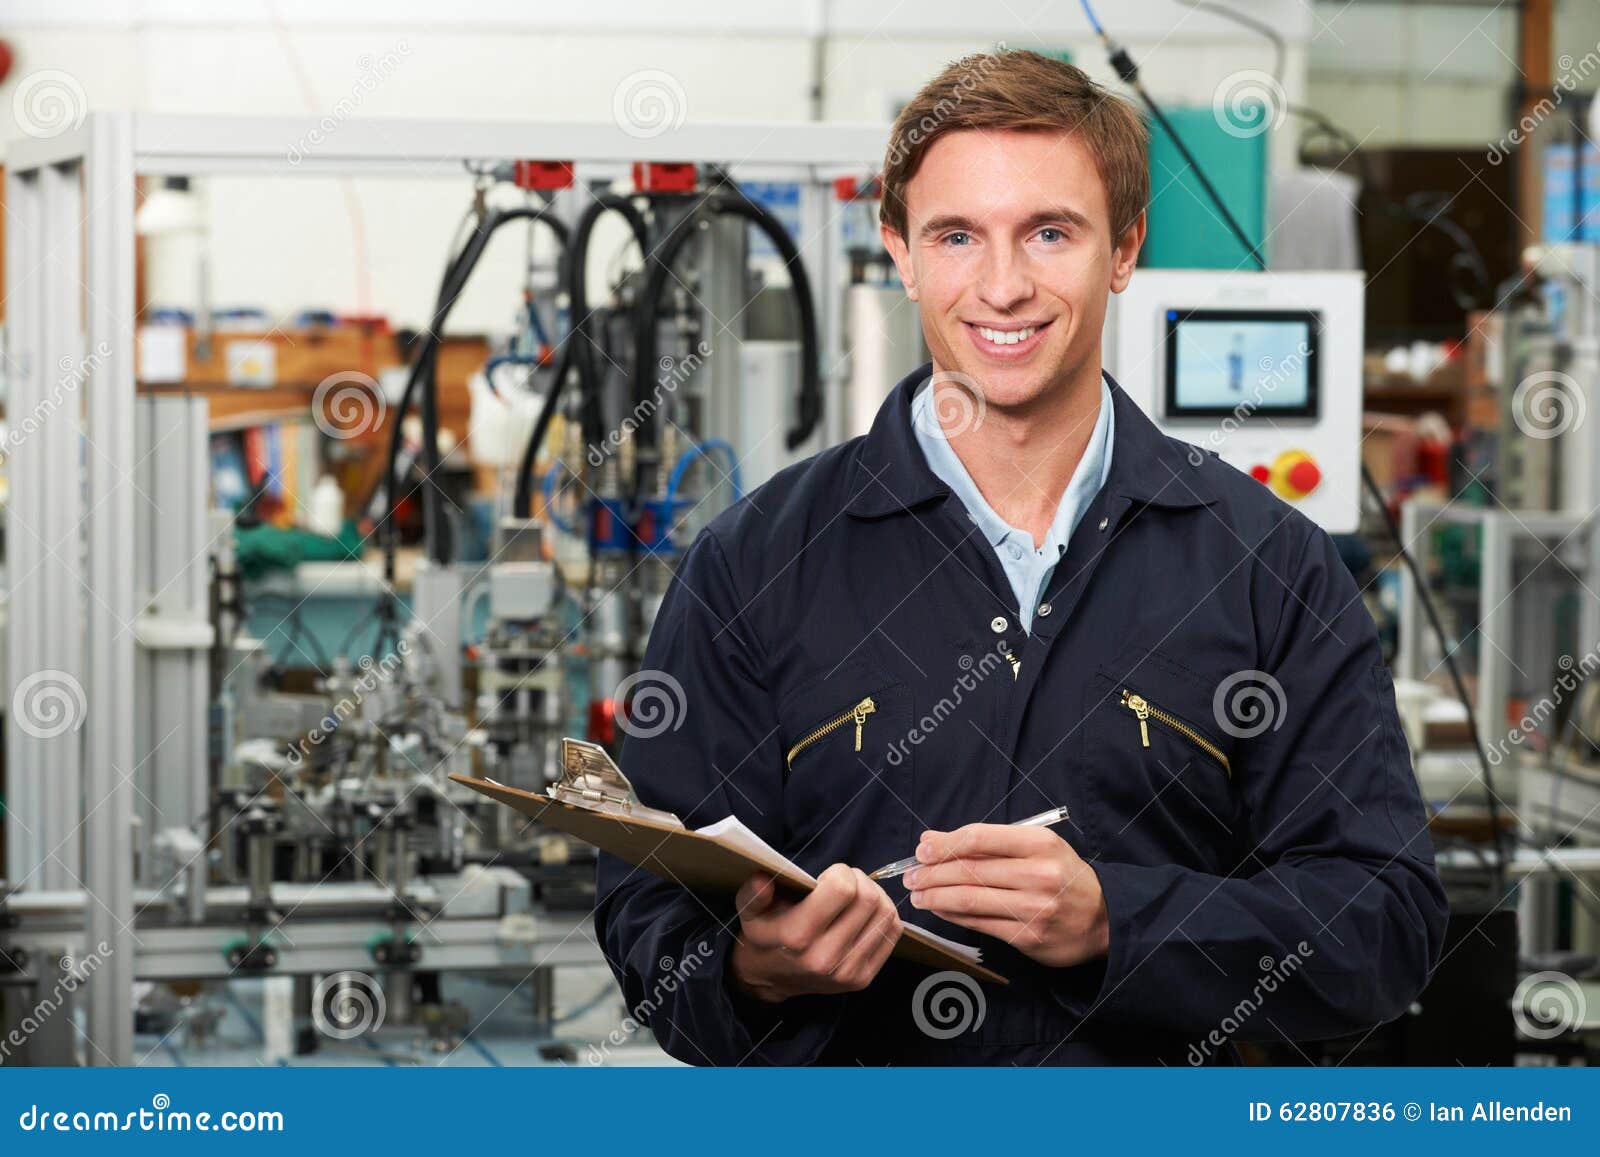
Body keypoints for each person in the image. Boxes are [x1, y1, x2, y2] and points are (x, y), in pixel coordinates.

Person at [594, 49, 1447, 1065]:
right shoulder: (755, 564)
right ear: (901, 251)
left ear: (1123, 249)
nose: (1003, 287)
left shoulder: (1268, 566)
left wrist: (1117, 920)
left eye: (1050, 232)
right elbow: (648, 913)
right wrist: (754, 967)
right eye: (957, 235)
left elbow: (1385, 925)